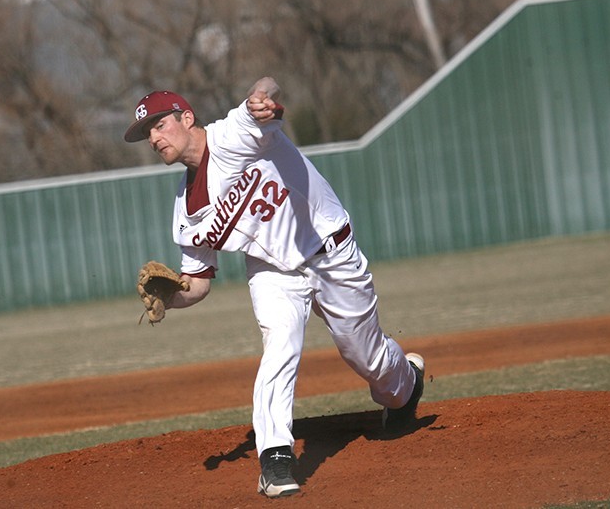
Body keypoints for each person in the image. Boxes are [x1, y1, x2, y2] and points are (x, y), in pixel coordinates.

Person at [124, 77, 425, 498]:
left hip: (329, 251)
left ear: (186, 118)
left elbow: (262, 94)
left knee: (366, 356)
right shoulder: (185, 214)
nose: (153, 138)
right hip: (271, 270)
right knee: (280, 344)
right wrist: (170, 299)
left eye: (158, 125)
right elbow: (198, 283)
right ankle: (276, 458)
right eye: (146, 134)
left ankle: (407, 382)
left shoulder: (232, 135)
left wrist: (263, 94)